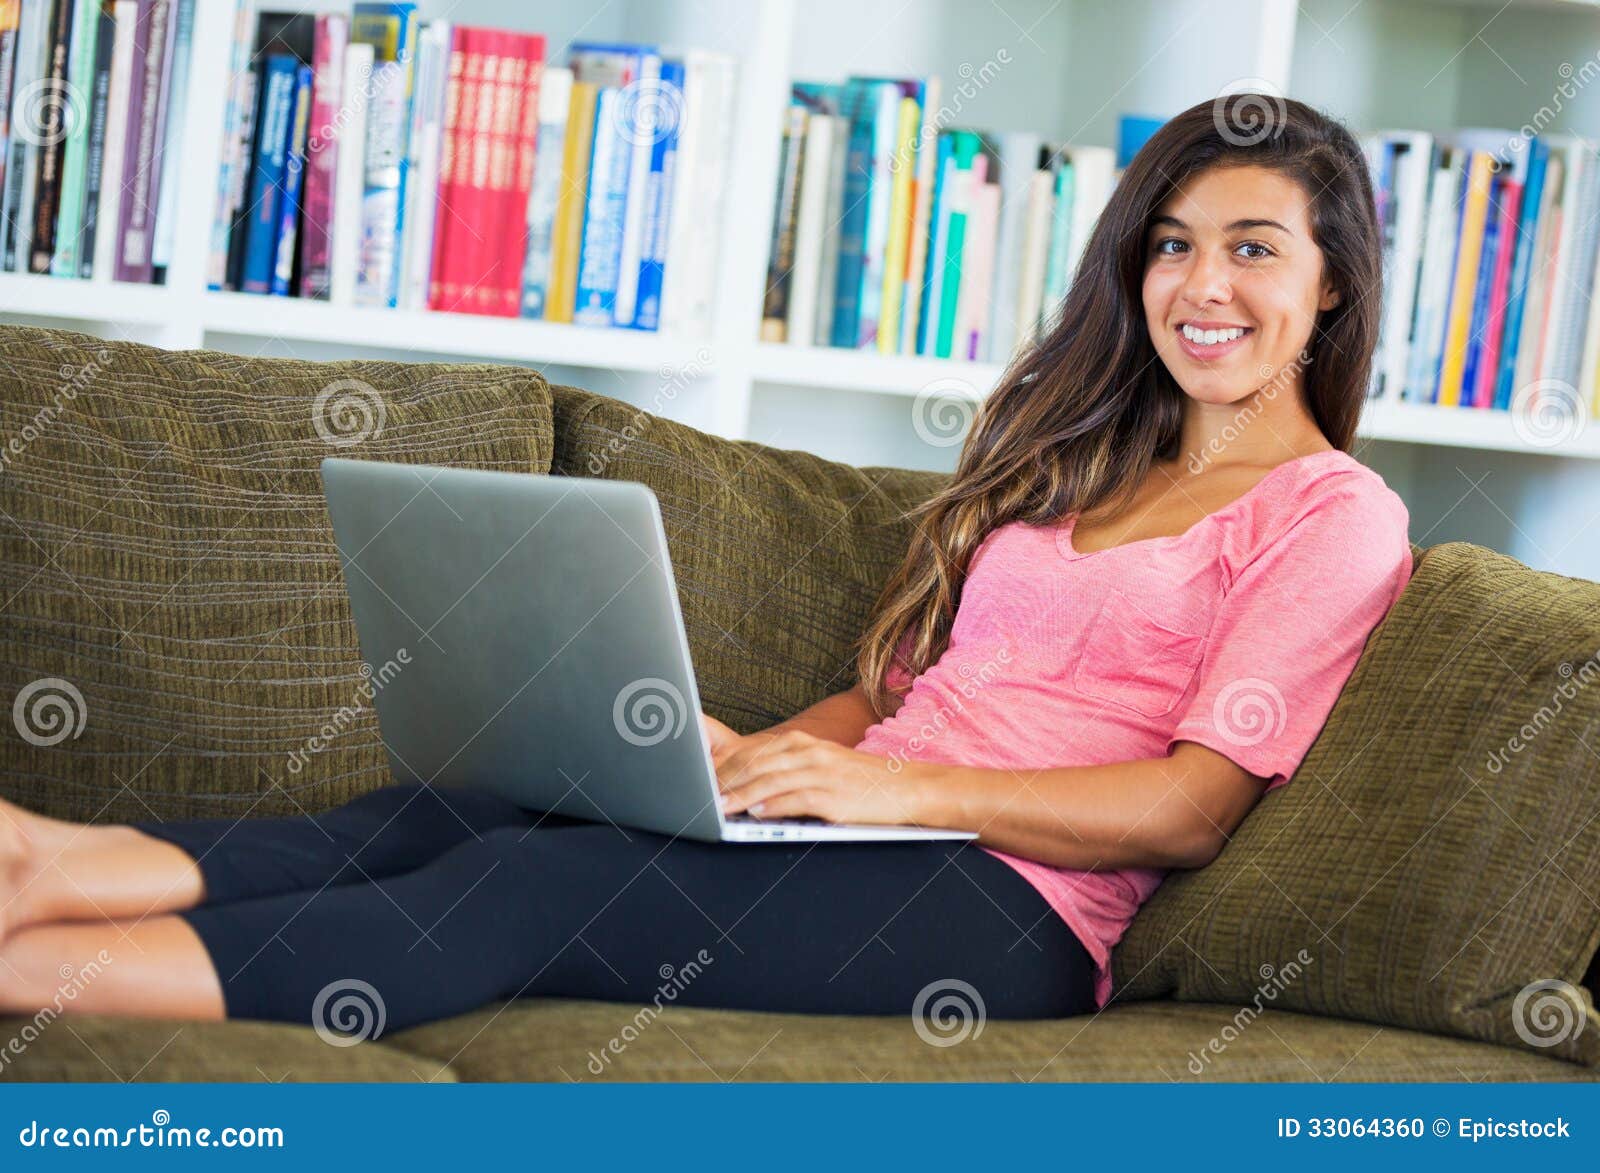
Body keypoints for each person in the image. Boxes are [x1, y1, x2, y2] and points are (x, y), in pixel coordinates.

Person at [0, 93, 1412, 1037]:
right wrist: (738, 763)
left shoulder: (1331, 513)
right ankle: (44, 859)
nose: (1202, 285)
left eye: (1253, 249)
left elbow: (1189, 810)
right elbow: (897, 698)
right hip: (873, 829)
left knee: (530, 890)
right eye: (1172, 246)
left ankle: (37, 980)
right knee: (468, 811)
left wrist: (894, 793)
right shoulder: (1083, 465)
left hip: (1011, 913)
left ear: (1333, 281)